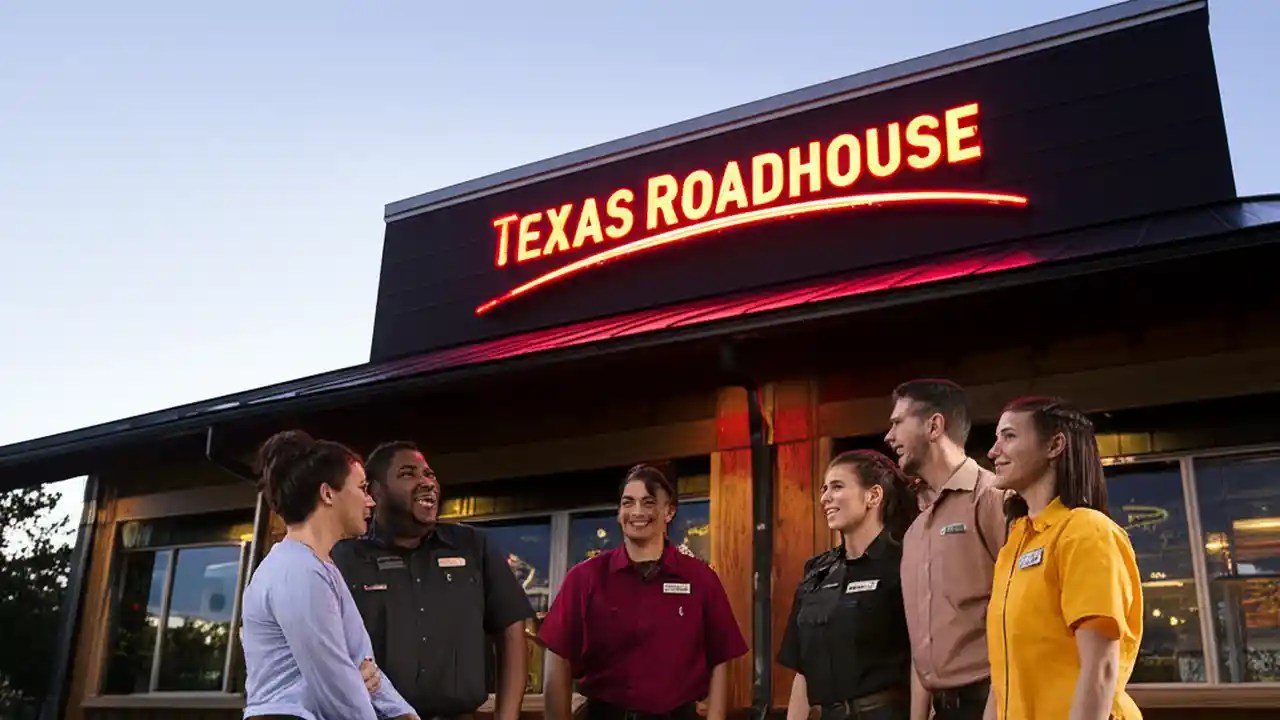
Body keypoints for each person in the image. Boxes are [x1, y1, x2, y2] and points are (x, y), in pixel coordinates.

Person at [331, 441, 534, 720]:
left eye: (430, 474)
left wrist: (507, 717)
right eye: (408, 474)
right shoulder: (344, 557)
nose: (427, 482)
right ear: (375, 490)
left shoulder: (473, 546)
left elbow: (511, 628)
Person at [539, 464, 748, 720]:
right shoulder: (584, 578)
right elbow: (557, 654)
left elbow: (721, 659)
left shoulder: (701, 580)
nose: (637, 512)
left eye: (648, 503)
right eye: (628, 503)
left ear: (669, 511)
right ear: (619, 512)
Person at [240, 429, 418, 720]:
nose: (370, 501)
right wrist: (353, 683)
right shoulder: (295, 570)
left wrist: (405, 715)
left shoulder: (323, 568)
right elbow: (336, 684)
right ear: (327, 493)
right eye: (362, 488)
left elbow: (363, 666)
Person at [984, 396, 1143, 720]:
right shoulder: (1015, 544)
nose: (993, 451)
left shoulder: (1086, 531)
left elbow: (1100, 668)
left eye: (1009, 436)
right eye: (996, 438)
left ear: (1055, 445)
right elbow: (1003, 679)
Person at [884, 379, 1007, 720]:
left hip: (990, 704)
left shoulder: (993, 498)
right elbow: (921, 644)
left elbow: (1019, 619)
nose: (889, 437)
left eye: (897, 423)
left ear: (934, 425)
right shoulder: (914, 532)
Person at [779, 450, 922, 720]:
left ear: (873, 496)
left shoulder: (905, 562)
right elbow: (803, 671)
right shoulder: (816, 571)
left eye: (837, 487)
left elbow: (922, 662)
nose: (825, 498)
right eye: (824, 489)